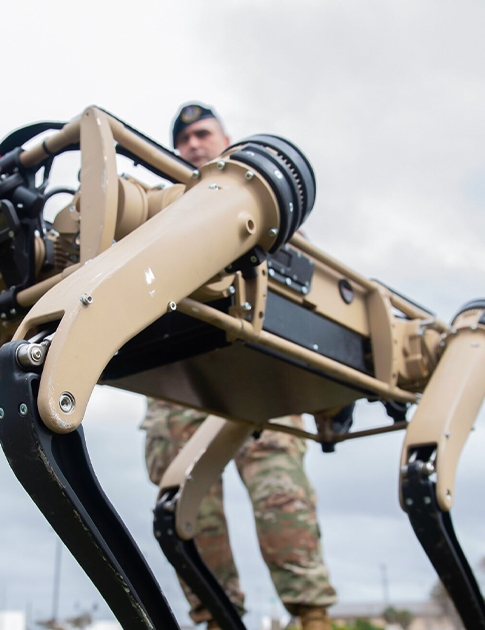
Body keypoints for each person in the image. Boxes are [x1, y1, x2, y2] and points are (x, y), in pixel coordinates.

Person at [139, 102, 337, 630]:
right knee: (186, 504)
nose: (193, 144)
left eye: (203, 134)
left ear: (226, 141)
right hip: (178, 375)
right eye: (183, 139)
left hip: (260, 372)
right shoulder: (158, 210)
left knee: (280, 491)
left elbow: (308, 288)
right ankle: (216, 617)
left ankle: (312, 615)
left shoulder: (267, 206)